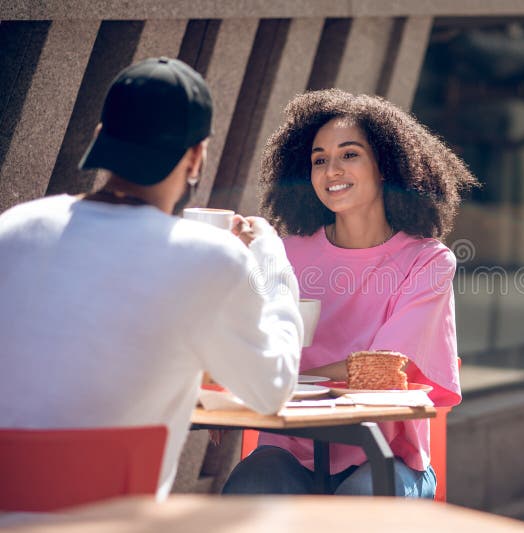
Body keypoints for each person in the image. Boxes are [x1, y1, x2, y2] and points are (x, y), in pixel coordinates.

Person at [0, 57, 303, 499]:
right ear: (196, 156)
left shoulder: (14, 228)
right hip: (113, 518)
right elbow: (270, 388)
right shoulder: (209, 259)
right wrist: (272, 261)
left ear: (101, 137)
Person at [222, 89, 478, 497]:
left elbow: (382, 367)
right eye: (319, 159)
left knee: (359, 505)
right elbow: (242, 341)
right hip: (290, 453)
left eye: (350, 154)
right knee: (250, 486)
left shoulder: (428, 261)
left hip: (385, 457)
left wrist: (281, 380)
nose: (331, 170)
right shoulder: (285, 253)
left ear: (385, 167)